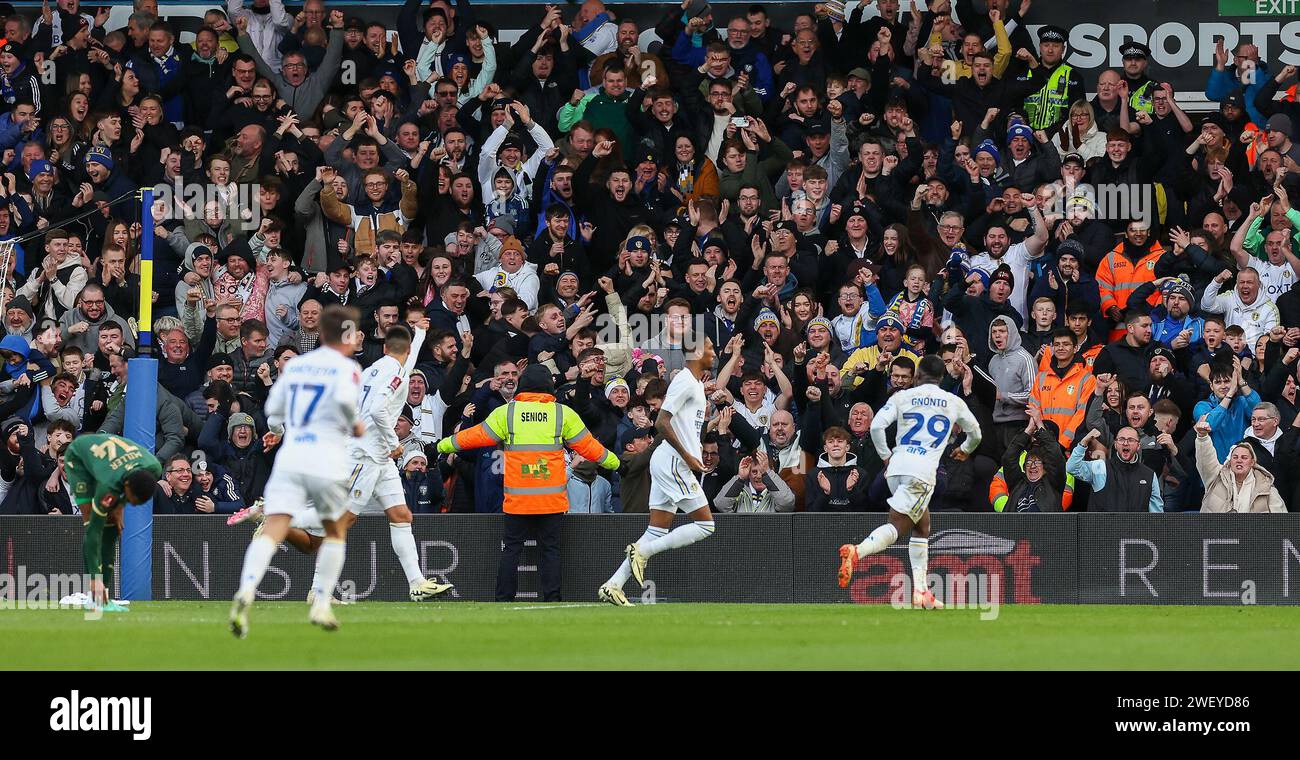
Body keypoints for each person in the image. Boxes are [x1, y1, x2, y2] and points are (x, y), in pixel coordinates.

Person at [229, 304, 366, 637]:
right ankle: (321, 602)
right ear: (347, 335)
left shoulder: (298, 366)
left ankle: (246, 590)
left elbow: (274, 413)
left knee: (275, 525)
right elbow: (348, 410)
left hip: (291, 456)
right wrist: (357, 427)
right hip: (326, 459)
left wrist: (279, 430)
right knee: (335, 531)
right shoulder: (348, 369)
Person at [436, 364, 620, 602]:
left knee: (511, 550)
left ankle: (503, 599)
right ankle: (552, 598)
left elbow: (475, 436)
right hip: (551, 501)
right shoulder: (562, 413)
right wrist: (617, 464)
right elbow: (590, 447)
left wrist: (441, 446)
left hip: (518, 499)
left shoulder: (508, 412)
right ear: (548, 385)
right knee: (550, 551)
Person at [836, 356, 982, 609]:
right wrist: (966, 449)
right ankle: (857, 551)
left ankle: (921, 592)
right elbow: (976, 432)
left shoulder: (902, 396)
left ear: (917, 376)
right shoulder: (952, 401)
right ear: (940, 378)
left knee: (922, 525)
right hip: (922, 471)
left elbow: (877, 427)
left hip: (896, 468)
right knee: (899, 525)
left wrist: (885, 456)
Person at [338, 320, 452, 602]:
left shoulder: (374, 370)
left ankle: (417, 583)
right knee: (344, 521)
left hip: (378, 457)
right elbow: (377, 409)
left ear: (386, 347)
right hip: (368, 454)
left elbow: (405, 363)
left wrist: (423, 332)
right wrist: (393, 444)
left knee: (401, 516)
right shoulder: (396, 371)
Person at [600, 336, 718, 607]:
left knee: (656, 530)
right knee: (705, 525)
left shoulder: (696, 384)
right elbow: (662, 422)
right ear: (697, 352)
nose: (713, 352)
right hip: (674, 461)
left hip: (671, 461)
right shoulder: (684, 381)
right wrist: (688, 455)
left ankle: (614, 584)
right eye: (710, 348)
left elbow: (685, 424)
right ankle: (642, 552)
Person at [65, 433, 162, 612]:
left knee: (113, 528)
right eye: (132, 500)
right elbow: (93, 532)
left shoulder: (154, 468)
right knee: (92, 524)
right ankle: (93, 592)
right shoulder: (108, 487)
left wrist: (119, 507)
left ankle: (104, 596)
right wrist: (95, 577)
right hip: (79, 459)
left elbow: (125, 487)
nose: (133, 505)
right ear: (126, 487)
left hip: (111, 466)